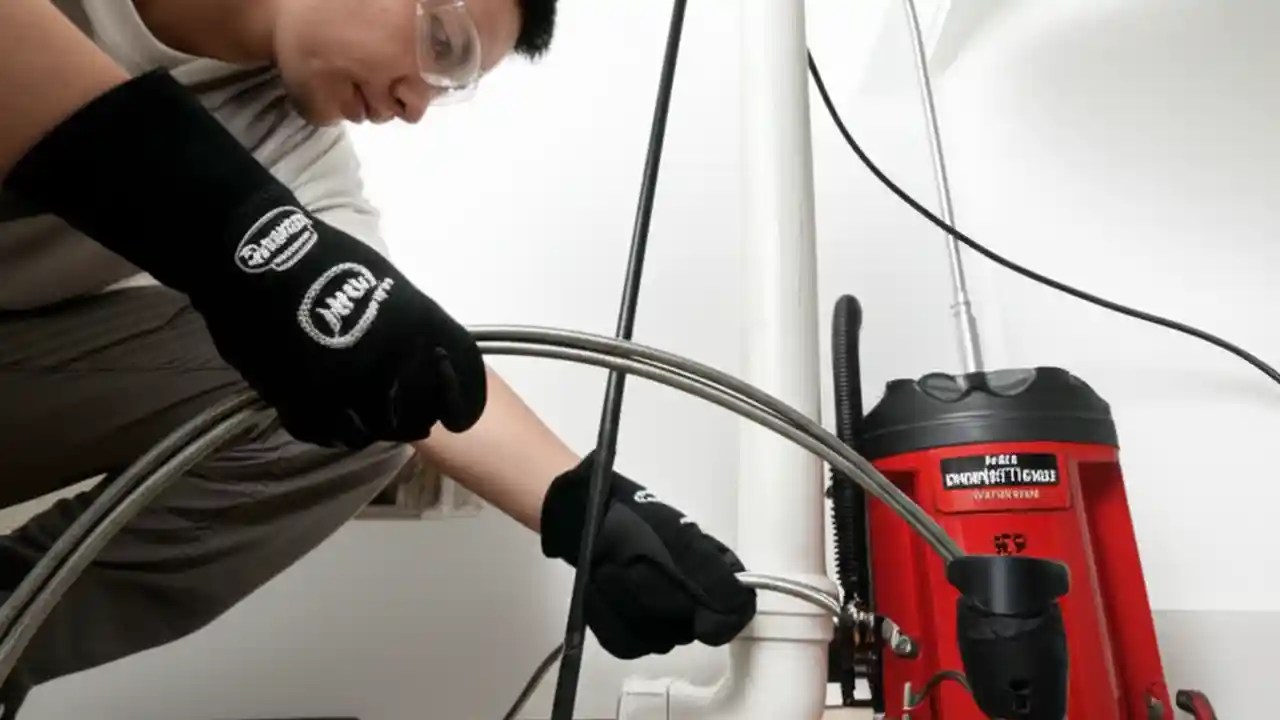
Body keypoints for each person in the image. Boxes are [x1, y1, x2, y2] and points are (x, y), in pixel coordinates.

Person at [0, 0, 757, 716]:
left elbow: (404, 353)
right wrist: (228, 227)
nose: (416, 105)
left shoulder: (291, 151)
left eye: (449, 85)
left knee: (344, 405)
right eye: (441, 46)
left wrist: (585, 508)